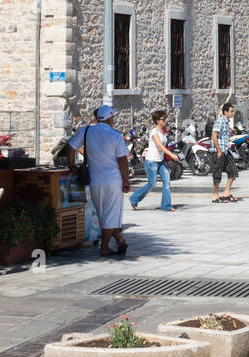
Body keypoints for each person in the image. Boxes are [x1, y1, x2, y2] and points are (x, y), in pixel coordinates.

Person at [67, 104, 131, 256]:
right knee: (111, 215)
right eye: (112, 117)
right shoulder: (115, 136)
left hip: (94, 181)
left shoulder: (86, 130)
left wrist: (71, 166)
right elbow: (123, 161)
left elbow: (70, 147)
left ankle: (119, 239)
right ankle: (104, 248)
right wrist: (126, 180)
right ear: (109, 118)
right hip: (113, 181)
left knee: (103, 214)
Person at [129, 110, 178, 212]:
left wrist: (167, 158)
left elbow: (165, 145)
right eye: (163, 119)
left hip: (161, 161)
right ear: (157, 120)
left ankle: (166, 206)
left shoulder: (163, 131)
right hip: (152, 162)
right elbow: (159, 146)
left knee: (167, 182)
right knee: (151, 184)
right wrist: (172, 155)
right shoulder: (154, 132)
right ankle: (134, 199)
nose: (165, 120)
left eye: (165, 118)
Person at [212, 100, 239, 204]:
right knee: (217, 173)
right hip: (219, 151)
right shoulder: (220, 121)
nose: (233, 113)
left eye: (233, 111)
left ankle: (226, 194)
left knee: (233, 171)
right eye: (231, 111)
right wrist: (219, 150)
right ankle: (215, 196)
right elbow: (214, 136)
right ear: (225, 112)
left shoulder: (227, 122)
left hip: (226, 151)